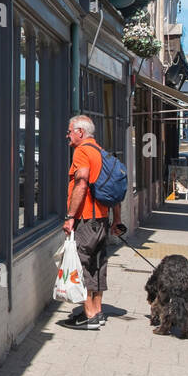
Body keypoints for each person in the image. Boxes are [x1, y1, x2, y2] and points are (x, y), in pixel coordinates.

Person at [62, 115, 124, 330]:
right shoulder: (101, 151)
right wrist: (116, 219)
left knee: (81, 265)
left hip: (86, 219)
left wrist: (70, 217)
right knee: (98, 265)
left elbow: (81, 183)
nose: (67, 135)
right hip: (102, 219)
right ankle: (97, 311)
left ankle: (88, 315)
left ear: (80, 132)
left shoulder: (82, 151)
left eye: (70, 131)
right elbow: (114, 190)